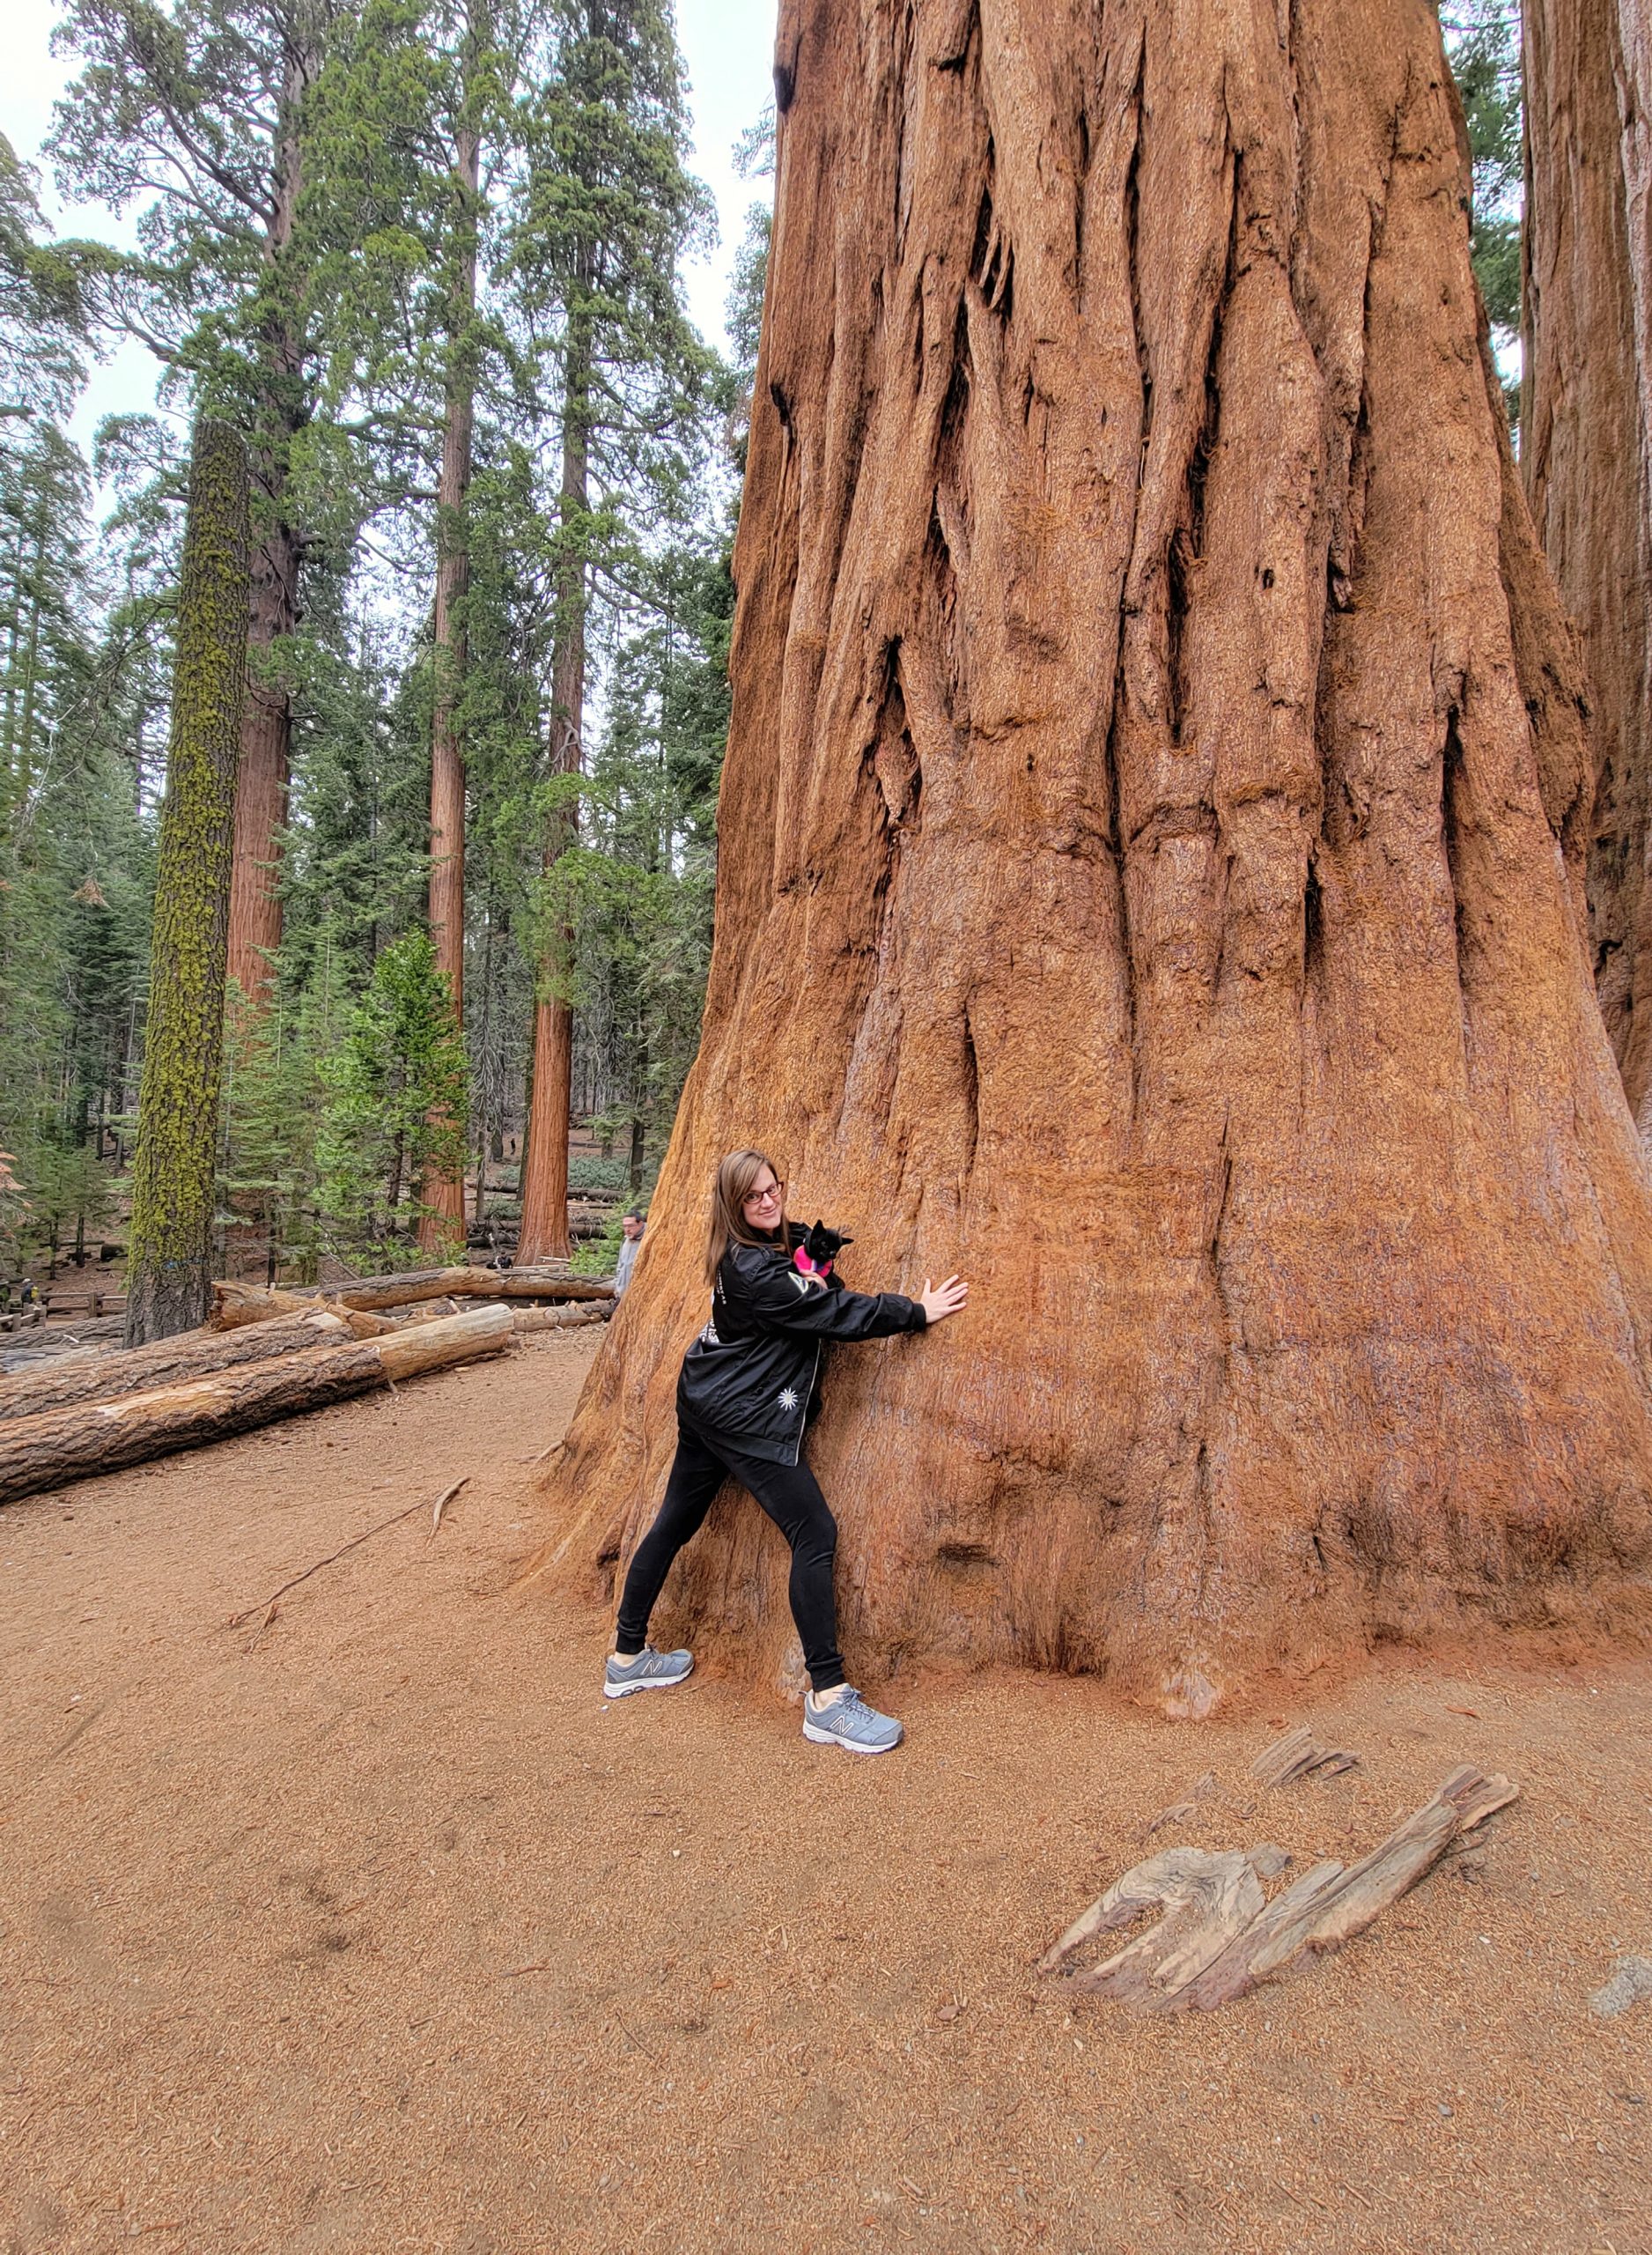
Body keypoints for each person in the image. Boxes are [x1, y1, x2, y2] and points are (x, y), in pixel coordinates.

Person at [605, 1148, 968, 1753]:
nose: (769, 1201)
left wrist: (813, 1256)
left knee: (675, 1522)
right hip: (743, 1417)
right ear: (733, 1205)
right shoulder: (753, 1271)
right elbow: (833, 1311)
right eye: (753, 1196)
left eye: (773, 1188)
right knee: (814, 1533)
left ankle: (626, 1656)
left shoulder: (763, 1249)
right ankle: (827, 1698)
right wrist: (916, 1312)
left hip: (705, 1398)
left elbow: (809, 1269)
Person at [612, 1208, 645, 1299]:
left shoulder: (647, 1240)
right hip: (623, 1294)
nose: (627, 1229)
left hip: (639, 1295)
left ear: (640, 1224)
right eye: (625, 1226)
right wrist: (617, 1288)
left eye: (631, 1226)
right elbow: (620, 1266)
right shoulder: (626, 1241)